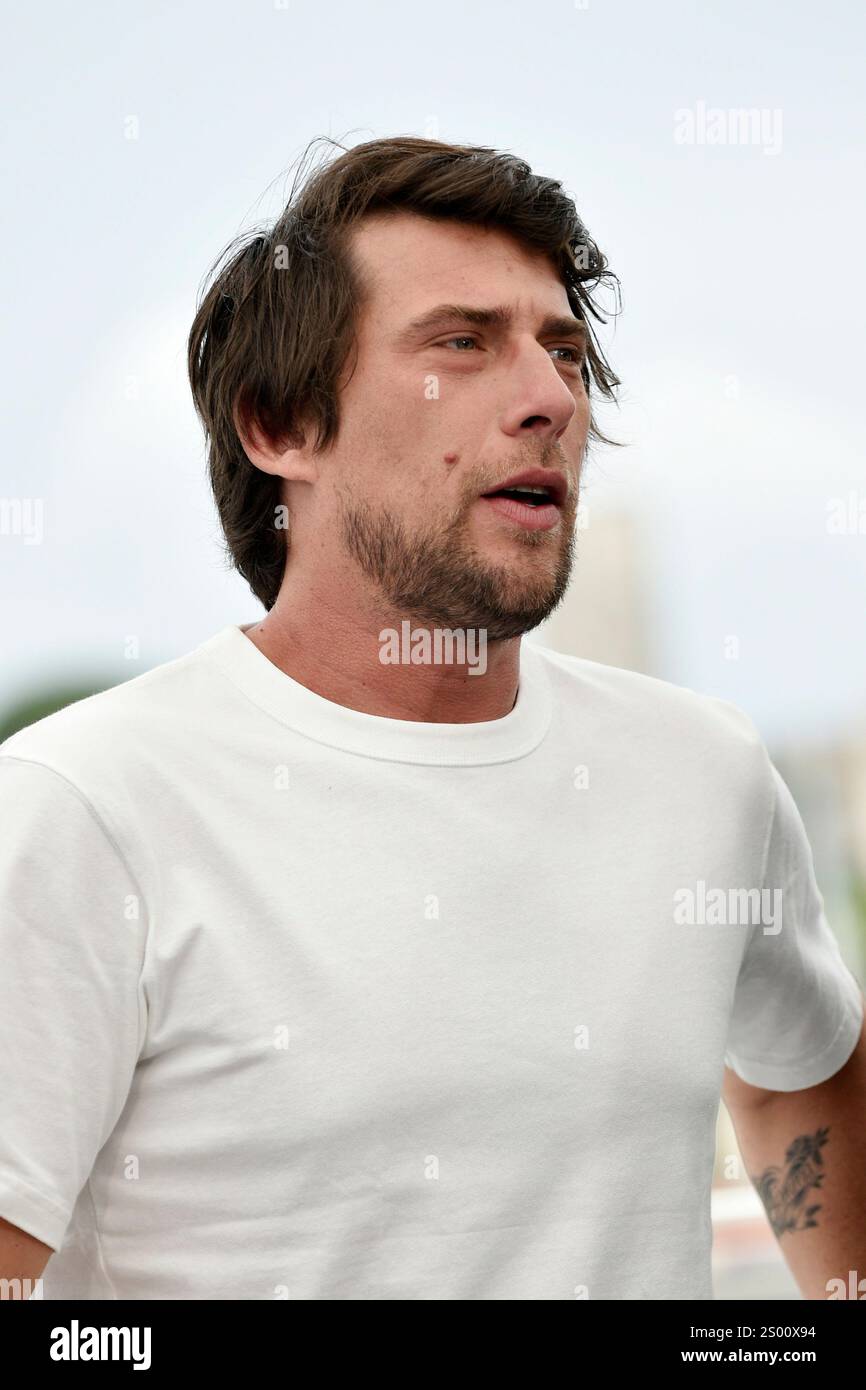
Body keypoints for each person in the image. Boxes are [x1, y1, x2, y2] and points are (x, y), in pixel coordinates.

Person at [1, 136, 863, 1302]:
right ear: (278, 426)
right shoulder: (82, 806)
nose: (549, 398)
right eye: (461, 344)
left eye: (561, 350)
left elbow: (798, 1067)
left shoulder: (703, 773)